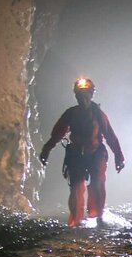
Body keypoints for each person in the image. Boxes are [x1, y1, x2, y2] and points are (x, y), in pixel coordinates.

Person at [40, 78, 124, 227]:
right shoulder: (71, 113)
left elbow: (110, 135)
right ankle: (76, 220)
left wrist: (119, 156)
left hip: (96, 153)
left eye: (86, 94)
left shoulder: (98, 114)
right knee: (76, 187)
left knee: (97, 183)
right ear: (76, 96)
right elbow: (58, 134)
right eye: (80, 95)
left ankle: (98, 216)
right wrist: (47, 149)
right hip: (76, 154)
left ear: (91, 94)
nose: (82, 98)